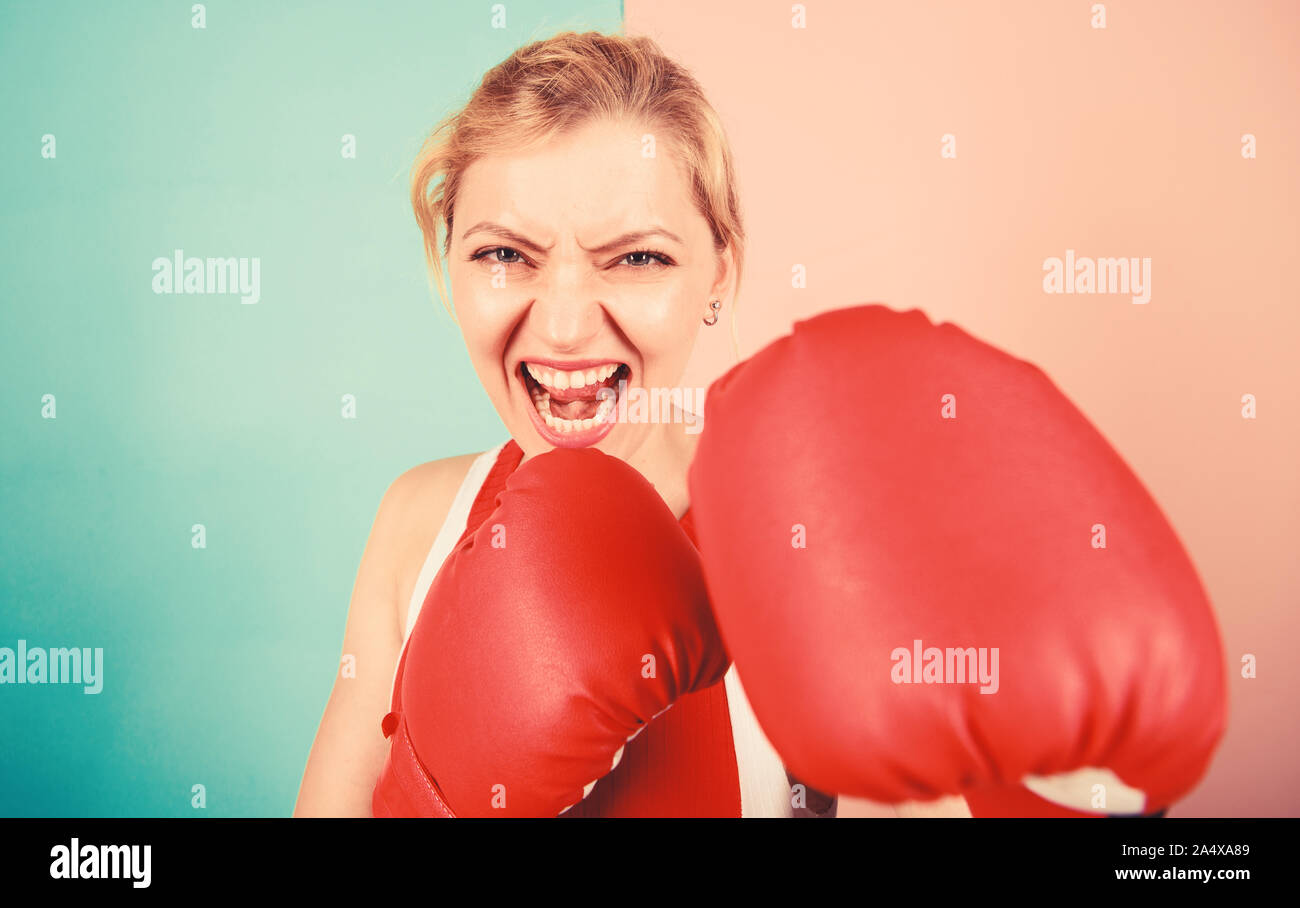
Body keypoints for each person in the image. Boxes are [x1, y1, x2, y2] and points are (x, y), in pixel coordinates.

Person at [294, 30, 831, 818]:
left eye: (638, 257)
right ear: (451, 264)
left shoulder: (810, 529)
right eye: (505, 254)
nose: (567, 326)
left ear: (720, 274)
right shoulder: (417, 522)